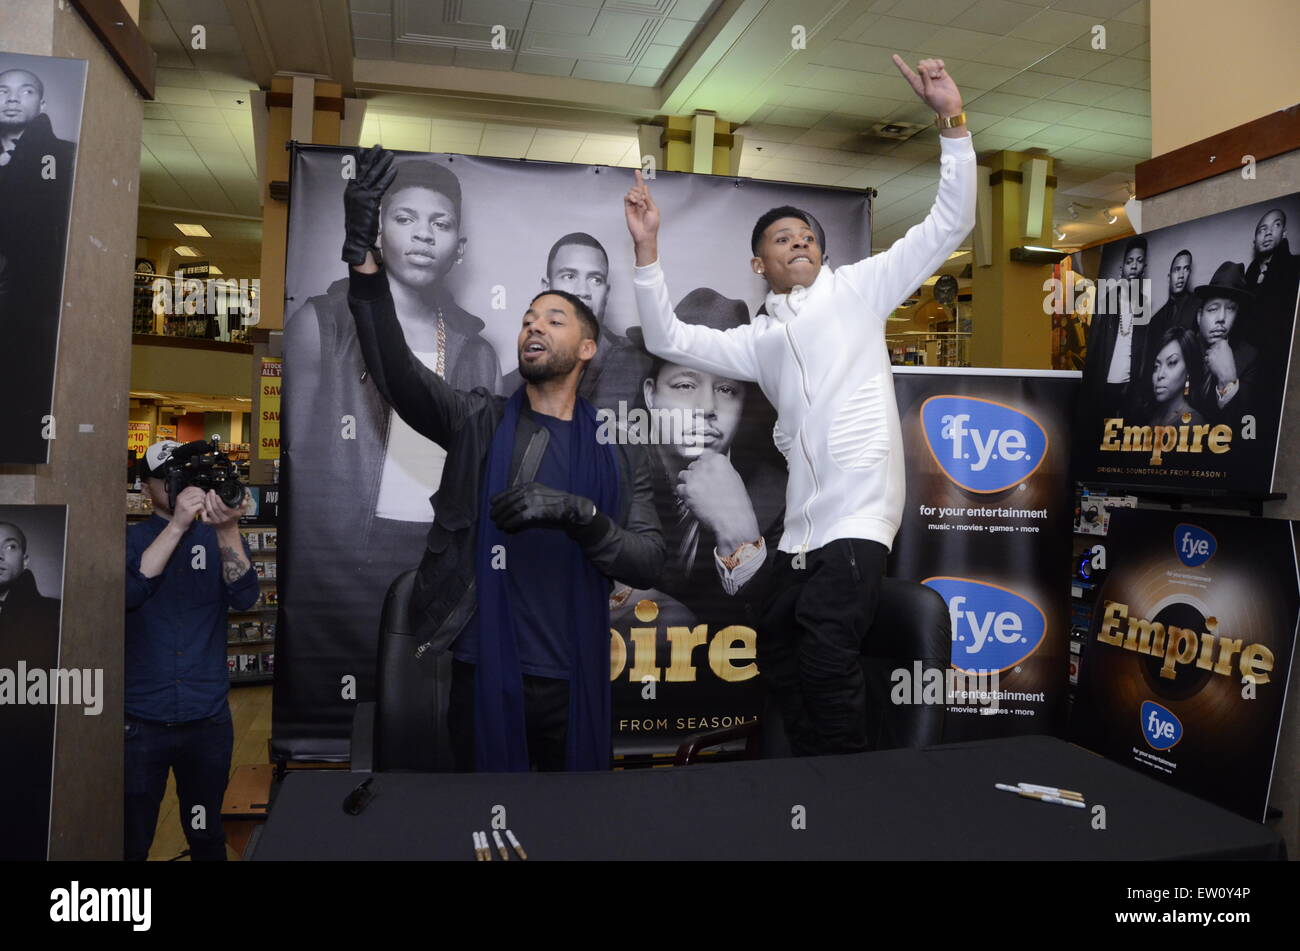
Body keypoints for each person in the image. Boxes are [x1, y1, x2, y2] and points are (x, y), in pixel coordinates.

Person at [624, 55, 976, 757]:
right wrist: (647, 249)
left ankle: (852, 800)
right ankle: (806, 788)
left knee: (824, 651)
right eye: (784, 239)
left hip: (860, 513)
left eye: (809, 236)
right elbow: (666, 335)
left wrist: (952, 122)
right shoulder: (756, 343)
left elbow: (949, 222)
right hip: (801, 534)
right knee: (778, 644)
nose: (802, 243)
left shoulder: (859, 290)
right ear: (759, 265)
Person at [342, 146, 664, 772]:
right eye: (526, 319)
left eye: (555, 318)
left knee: (570, 831)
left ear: (589, 346)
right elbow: (395, 372)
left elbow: (647, 558)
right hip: (485, 672)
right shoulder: (478, 422)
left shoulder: (620, 449)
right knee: (490, 830)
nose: (533, 327)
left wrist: (580, 514)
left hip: (576, 680)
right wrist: (363, 257)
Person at [281, 152, 502, 746]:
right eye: (405, 218)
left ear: (460, 243)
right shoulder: (320, 324)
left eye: (441, 223)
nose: (424, 235)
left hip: (441, 552)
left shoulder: (477, 349)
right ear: (378, 230)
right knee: (358, 716)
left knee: (435, 716)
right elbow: (306, 464)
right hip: (345, 553)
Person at [124, 440, 257, 861]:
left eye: (188, 479)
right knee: (132, 835)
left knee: (206, 832)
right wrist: (178, 525)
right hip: (142, 718)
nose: (182, 489)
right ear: (147, 488)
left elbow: (246, 596)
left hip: (206, 718)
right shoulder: (131, 539)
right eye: (169, 480)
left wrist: (228, 527)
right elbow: (129, 592)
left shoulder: (216, 538)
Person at [626, 287, 784, 618]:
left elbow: (776, 628)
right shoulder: (614, 475)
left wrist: (741, 540)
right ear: (651, 396)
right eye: (685, 385)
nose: (707, 407)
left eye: (726, 390)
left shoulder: (779, 497)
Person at [0, 67, 78, 462]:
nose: (12, 98)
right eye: (3, 90)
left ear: (41, 103)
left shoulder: (66, 158)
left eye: (25, 90)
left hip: (31, 316)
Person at [501, 232, 651, 410]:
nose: (583, 291)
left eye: (596, 280)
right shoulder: (510, 386)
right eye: (569, 276)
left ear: (606, 294)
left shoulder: (638, 365)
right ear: (546, 288)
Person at [0, 518, 62, 860]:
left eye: (9, 546)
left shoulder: (55, 614)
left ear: (24, 559)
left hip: (30, 760)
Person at [1083, 236, 1150, 419]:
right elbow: (1094, 349)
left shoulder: (1144, 304)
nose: (1134, 266)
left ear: (1144, 269)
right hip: (1104, 385)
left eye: (1139, 261)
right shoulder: (1107, 301)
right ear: (1122, 269)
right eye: (1129, 262)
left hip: (1130, 387)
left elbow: (1143, 351)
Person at [1189, 261, 1257, 424]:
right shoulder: (1181, 346)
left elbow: (1241, 427)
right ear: (1199, 316)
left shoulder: (1249, 357)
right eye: (1213, 309)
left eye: (1231, 309)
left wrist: (1227, 380)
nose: (1221, 318)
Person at [1242, 208, 1300, 362]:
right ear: (1255, 241)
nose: (1268, 232)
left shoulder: (1296, 267)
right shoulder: (1244, 280)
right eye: (1262, 229)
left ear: (1284, 233)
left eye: (1276, 225)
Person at [1144, 326, 1205, 427]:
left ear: (1189, 370)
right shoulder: (1152, 415)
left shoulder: (1195, 425)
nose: (1160, 375)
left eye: (1171, 363)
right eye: (1156, 366)